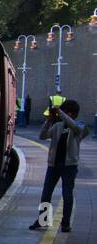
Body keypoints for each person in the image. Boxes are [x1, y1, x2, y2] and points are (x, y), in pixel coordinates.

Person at [30, 98, 88, 233]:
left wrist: (60, 113)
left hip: (69, 166)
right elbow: (42, 136)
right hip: (54, 165)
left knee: (67, 195)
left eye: (68, 113)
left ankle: (66, 223)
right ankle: (43, 220)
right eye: (65, 112)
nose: (67, 115)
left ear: (74, 114)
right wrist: (49, 120)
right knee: (46, 194)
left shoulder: (80, 125)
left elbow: (75, 128)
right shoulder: (58, 126)